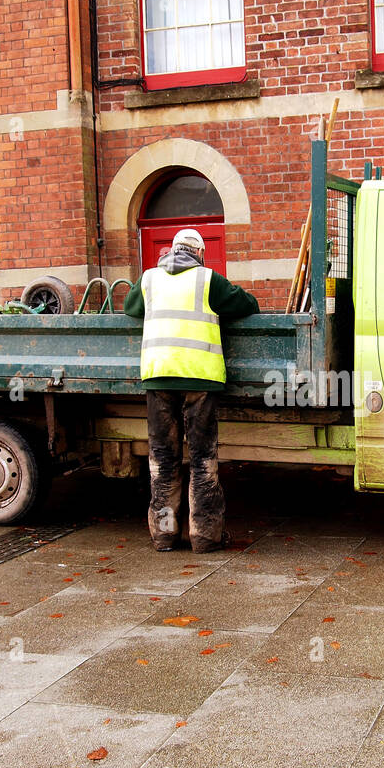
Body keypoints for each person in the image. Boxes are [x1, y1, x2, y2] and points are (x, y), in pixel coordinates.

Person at [124, 228, 259, 552]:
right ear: (199, 253)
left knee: (163, 461)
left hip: (159, 379)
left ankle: (165, 535)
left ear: (170, 251)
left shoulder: (149, 279)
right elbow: (246, 304)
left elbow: (131, 307)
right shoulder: (207, 280)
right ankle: (204, 537)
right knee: (202, 460)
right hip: (199, 380)